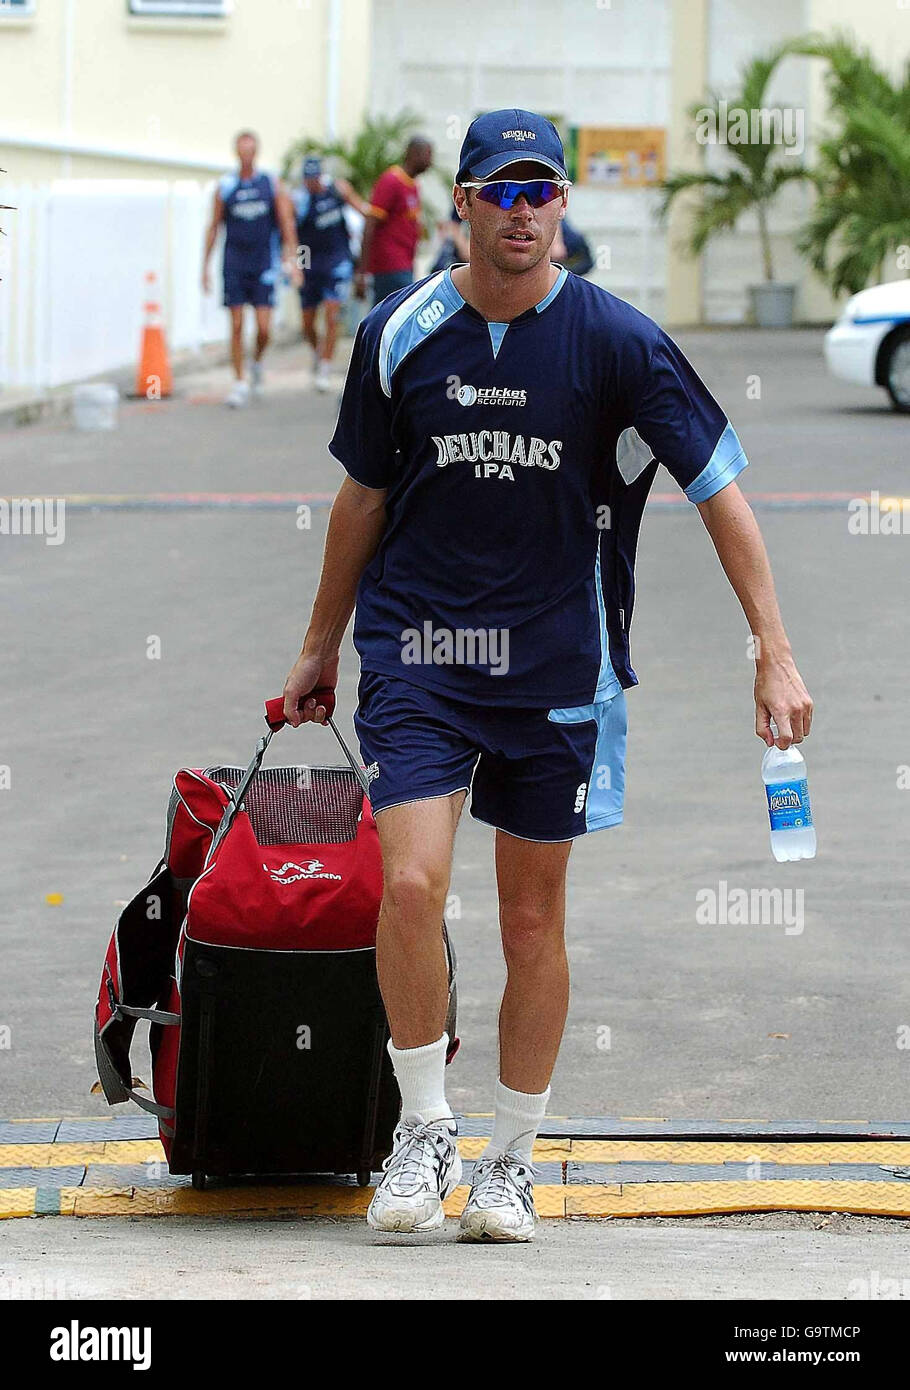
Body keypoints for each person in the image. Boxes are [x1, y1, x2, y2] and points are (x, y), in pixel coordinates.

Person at [282, 109, 813, 1242]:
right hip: (421, 657)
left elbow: (717, 488)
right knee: (412, 885)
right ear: (461, 204)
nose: (523, 212)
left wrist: (771, 645)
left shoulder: (618, 342)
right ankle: (422, 1127)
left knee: (531, 918)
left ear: (562, 205)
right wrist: (320, 644)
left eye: (543, 191)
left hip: (560, 668)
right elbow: (361, 500)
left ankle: (512, 1157)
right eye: (501, 191)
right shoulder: (400, 332)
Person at [202, 131, 300, 408]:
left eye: (250, 150)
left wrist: (293, 261)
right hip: (234, 262)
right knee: (235, 324)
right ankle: (239, 381)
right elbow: (213, 226)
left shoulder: (269, 183)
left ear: (256, 152)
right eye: (241, 150)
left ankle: (256, 361)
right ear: (236, 152)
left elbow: (286, 224)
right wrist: (205, 267)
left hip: (263, 264)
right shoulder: (227, 186)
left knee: (264, 328)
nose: (246, 154)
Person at [292, 155, 369, 391]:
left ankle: (325, 366)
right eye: (308, 179)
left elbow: (363, 210)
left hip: (337, 260)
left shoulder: (337, 191)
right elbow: (291, 234)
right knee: (307, 322)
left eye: (315, 178)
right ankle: (317, 352)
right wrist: (295, 265)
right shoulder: (301, 201)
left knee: (332, 313)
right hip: (310, 262)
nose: (312, 183)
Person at [354, 137, 433, 305]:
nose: (430, 162)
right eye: (427, 155)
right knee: (391, 317)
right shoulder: (391, 181)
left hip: (405, 264)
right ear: (413, 154)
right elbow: (370, 225)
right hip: (390, 266)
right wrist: (362, 272)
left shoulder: (413, 185)